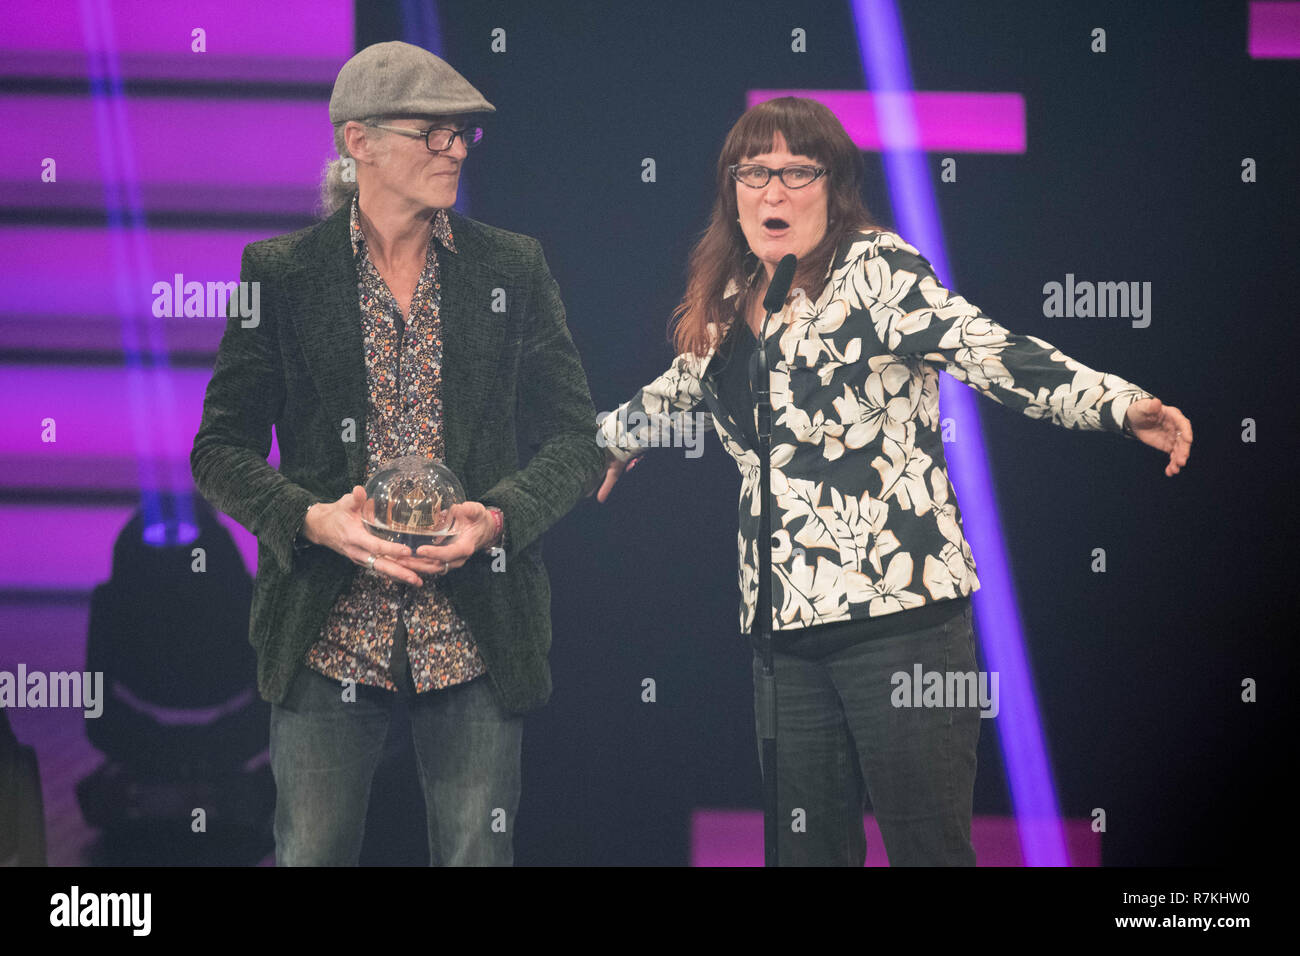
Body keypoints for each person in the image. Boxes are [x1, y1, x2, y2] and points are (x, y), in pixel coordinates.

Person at [595, 96, 1192, 866]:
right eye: (753, 172)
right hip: (784, 639)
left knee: (929, 852)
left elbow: (991, 351)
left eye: (796, 172)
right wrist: (598, 447)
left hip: (902, 627)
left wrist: (1118, 405)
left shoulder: (877, 271)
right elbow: (678, 391)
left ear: (834, 185)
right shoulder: (733, 299)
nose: (771, 192)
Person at [191, 41, 605, 866]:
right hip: (326, 627)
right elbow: (218, 448)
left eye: (462, 136)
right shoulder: (280, 273)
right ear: (359, 142)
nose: (454, 150)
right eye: (433, 133)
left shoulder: (511, 268)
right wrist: (309, 520)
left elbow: (574, 440)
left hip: (476, 627)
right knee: (312, 855)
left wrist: (496, 520)